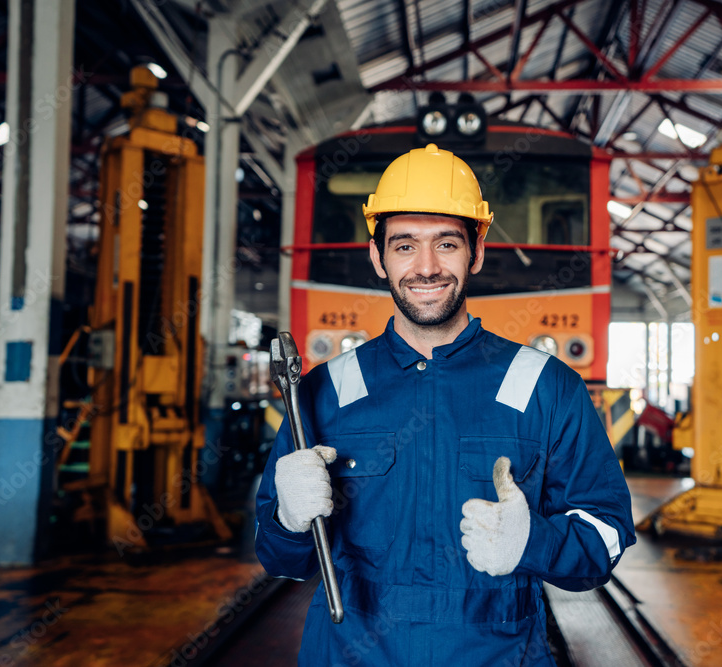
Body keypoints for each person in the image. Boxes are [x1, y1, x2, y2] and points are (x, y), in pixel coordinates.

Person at [255, 143, 635, 666]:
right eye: (405, 245)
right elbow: (279, 559)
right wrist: (288, 520)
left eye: (447, 244)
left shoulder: (545, 387)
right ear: (378, 256)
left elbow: (607, 536)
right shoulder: (325, 392)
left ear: (476, 251)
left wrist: (535, 541)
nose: (426, 267)